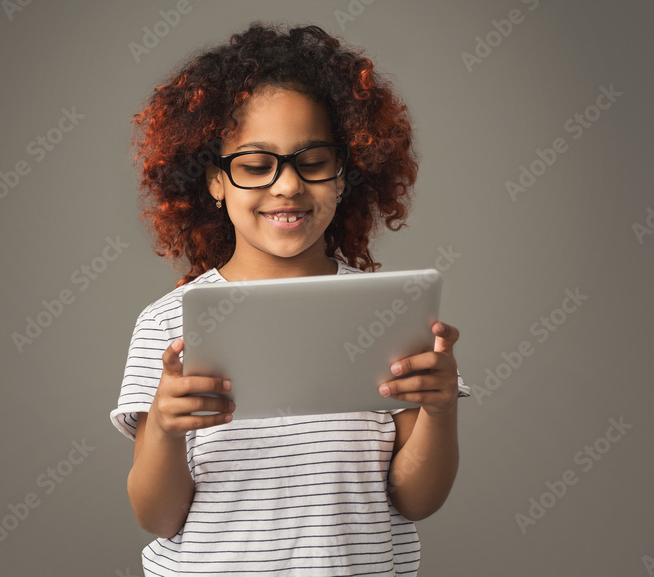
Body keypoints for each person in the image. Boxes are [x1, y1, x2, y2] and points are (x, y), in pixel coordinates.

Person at [110, 21, 470, 576]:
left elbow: (416, 500)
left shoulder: (387, 313)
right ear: (214, 181)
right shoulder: (168, 324)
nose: (287, 185)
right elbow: (158, 517)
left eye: (313, 160)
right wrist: (162, 426)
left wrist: (440, 411)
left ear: (344, 173)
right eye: (256, 166)